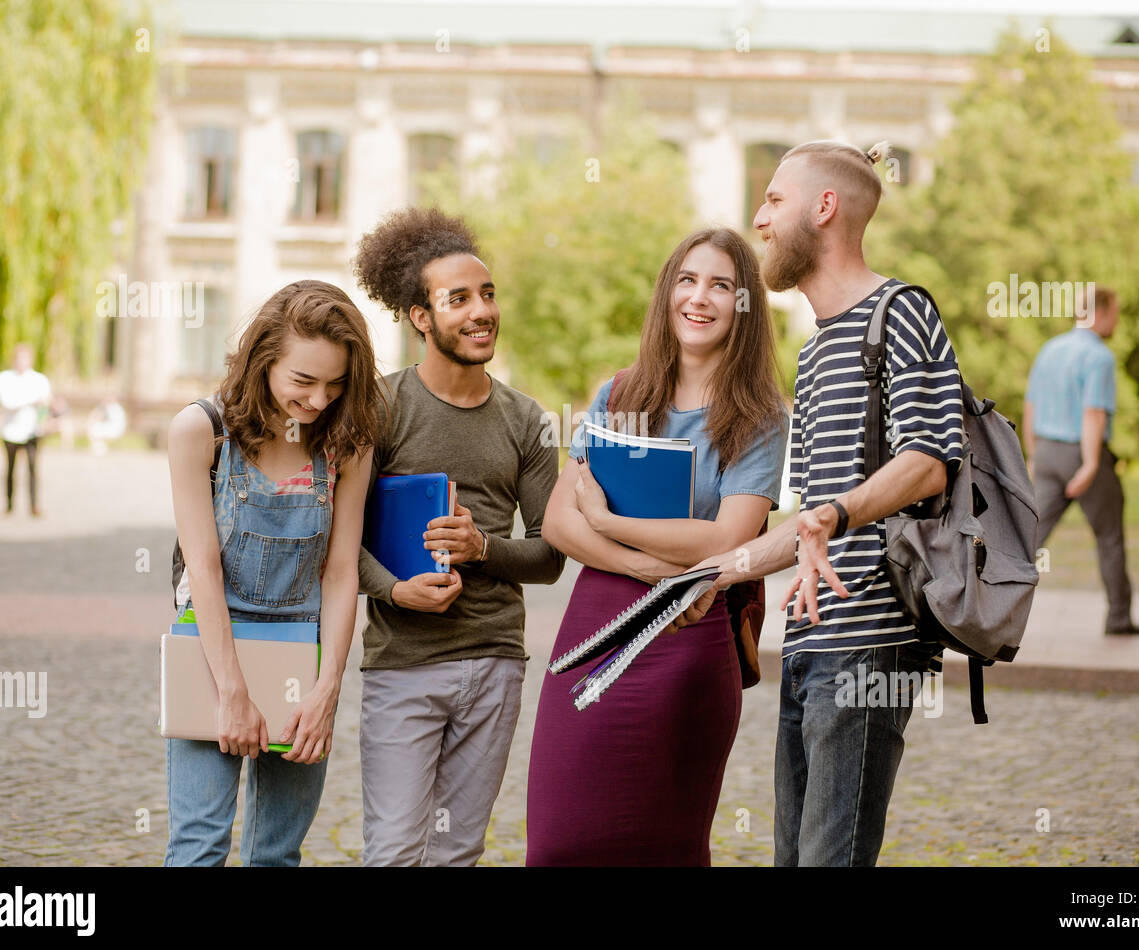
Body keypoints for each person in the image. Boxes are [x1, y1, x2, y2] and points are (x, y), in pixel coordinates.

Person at [674, 141, 966, 866]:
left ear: (823, 207)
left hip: (869, 641)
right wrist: (719, 572)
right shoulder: (818, 347)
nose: (759, 218)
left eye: (774, 199)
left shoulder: (900, 312)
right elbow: (807, 521)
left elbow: (928, 461)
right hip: (809, 645)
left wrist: (836, 515)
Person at [526, 227, 789, 866]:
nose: (700, 298)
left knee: (664, 844)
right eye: (688, 280)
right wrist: (646, 565)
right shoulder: (620, 394)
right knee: (560, 842)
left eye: (722, 285)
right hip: (594, 632)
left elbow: (728, 536)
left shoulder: (760, 418)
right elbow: (560, 523)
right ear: (667, 293)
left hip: (690, 641)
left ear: (744, 306)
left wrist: (610, 523)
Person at [351, 207, 565, 867]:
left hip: (496, 661)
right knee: (393, 852)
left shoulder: (527, 420)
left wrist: (483, 550)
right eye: (459, 299)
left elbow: (551, 555)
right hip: (403, 664)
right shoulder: (380, 408)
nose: (482, 311)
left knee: (456, 852)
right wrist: (393, 590)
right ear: (421, 317)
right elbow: (338, 538)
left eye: (488, 294)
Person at [165, 280, 381, 866]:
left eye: (335, 384)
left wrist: (326, 689)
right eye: (302, 381)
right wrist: (232, 691)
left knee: (277, 853)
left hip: (302, 657)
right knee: (197, 846)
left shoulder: (347, 445)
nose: (318, 400)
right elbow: (204, 569)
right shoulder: (201, 431)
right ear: (263, 362)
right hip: (210, 651)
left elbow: (340, 574)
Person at [1024, 286, 1139, 635]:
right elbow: (1093, 413)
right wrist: (1091, 464)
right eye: (1116, 314)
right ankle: (1119, 618)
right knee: (1109, 536)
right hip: (1081, 453)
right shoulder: (1099, 356)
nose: (1117, 321)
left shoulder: (1050, 349)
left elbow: (1030, 404)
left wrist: (1034, 455)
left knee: (1028, 538)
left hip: (1047, 451)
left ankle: (986, 608)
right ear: (1103, 312)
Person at [0, 344, 51, 516]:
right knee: (10, 469)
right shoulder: (5, 378)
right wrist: (32, 399)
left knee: (33, 469)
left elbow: (45, 404)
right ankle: (9, 503)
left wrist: (43, 420)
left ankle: (34, 505)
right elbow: (8, 402)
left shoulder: (39, 379)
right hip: (10, 431)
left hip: (32, 431)